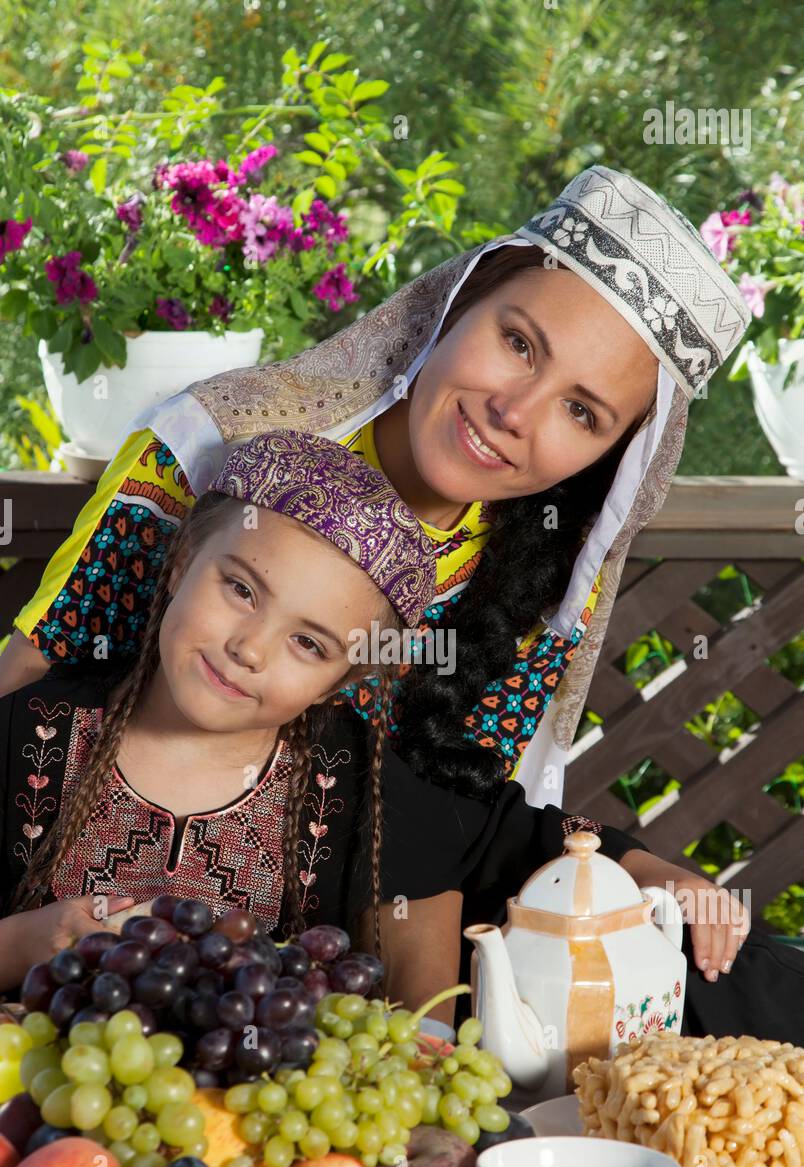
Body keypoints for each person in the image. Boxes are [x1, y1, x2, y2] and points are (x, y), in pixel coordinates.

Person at [3, 163, 799, 1041]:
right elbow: (47, 655)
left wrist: (647, 870)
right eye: (520, 343)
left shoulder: (541, 577)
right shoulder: (222, 443)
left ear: (611, 456)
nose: (513, 411)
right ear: (458, 303)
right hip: (137, 898)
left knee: (741, 980)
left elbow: (471, 816)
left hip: (400, 930)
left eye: (582, 411)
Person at [0, 429, 651, 1027]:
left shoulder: (356, 785)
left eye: (309, 644)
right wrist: (21, 944)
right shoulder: (21, 734)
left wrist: (660, 872)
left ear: (344, 680)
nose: (249, 649)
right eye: (241, 590)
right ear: (183, 560)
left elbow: (518, 834)